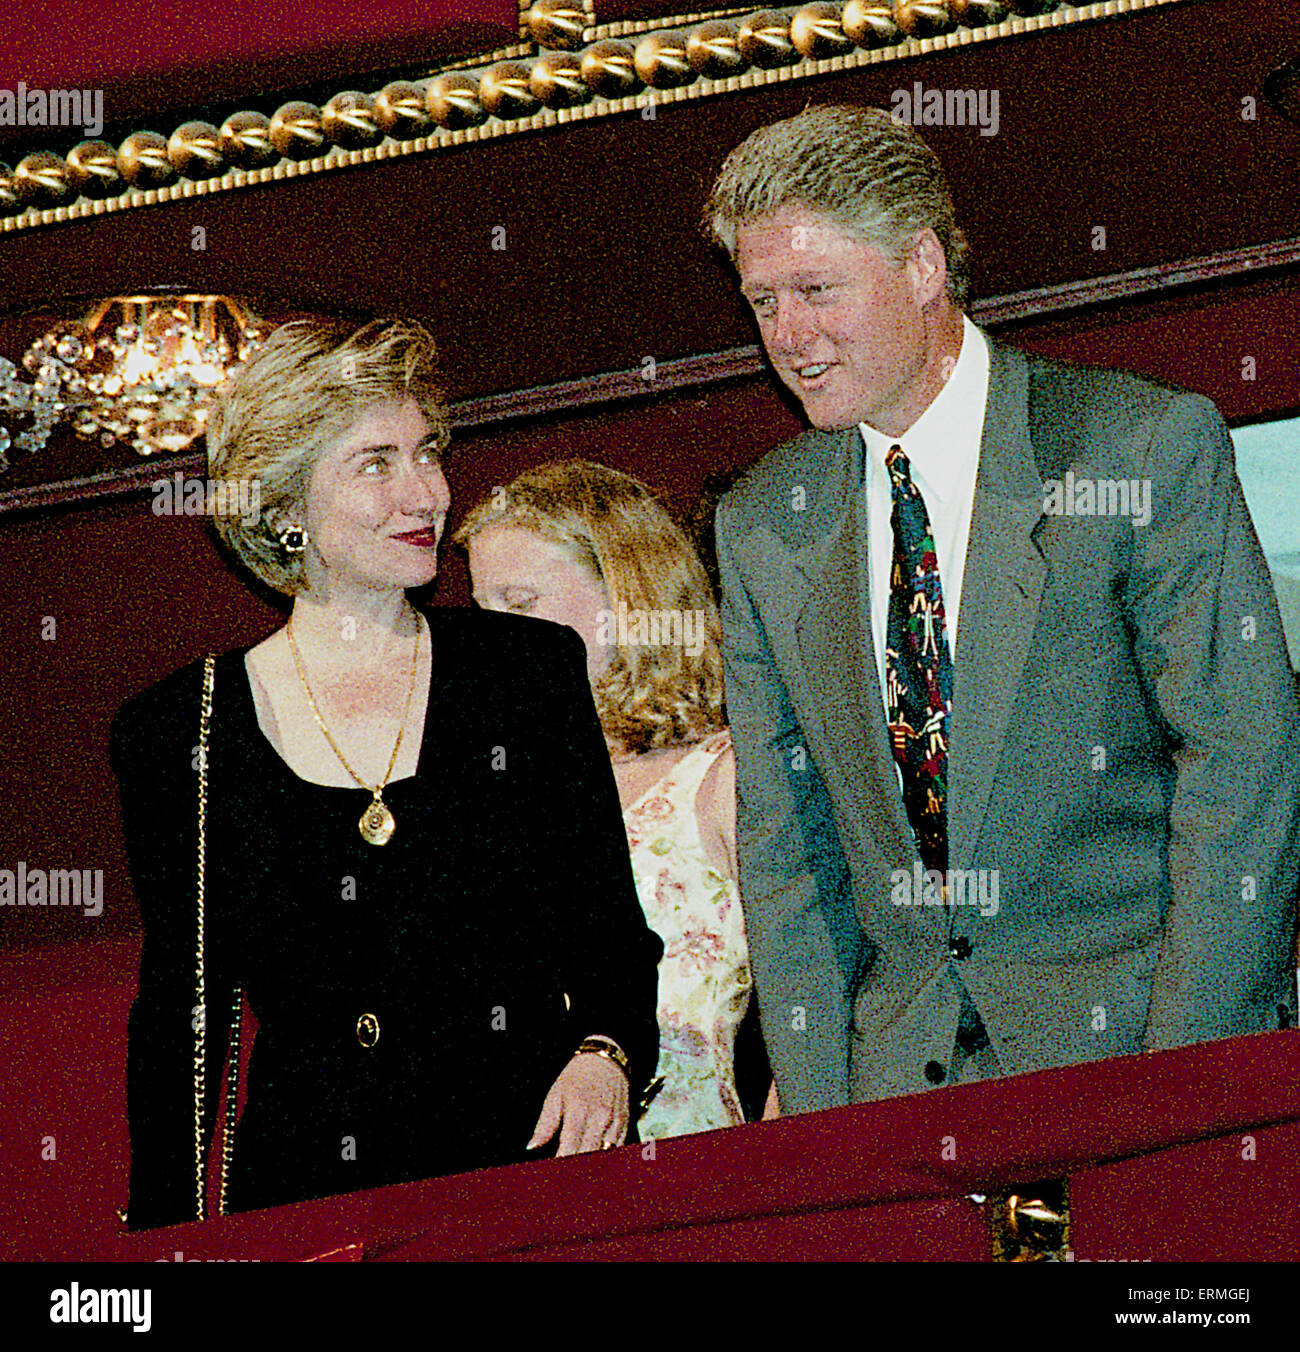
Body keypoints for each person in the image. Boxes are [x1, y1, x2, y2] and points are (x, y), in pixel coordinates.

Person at [704, 104, 1300, 1113]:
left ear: (923, 265)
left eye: (814, 290)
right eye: (762, 300)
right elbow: (787, 854)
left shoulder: (1135, 447)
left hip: (1133, 1064)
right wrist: (823, 1132)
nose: (786, 336)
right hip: (896, 1104)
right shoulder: (766, 522)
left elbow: (1242, 775)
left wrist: (1185, 1085)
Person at [109, 320, 662, 1229]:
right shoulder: (180, 731)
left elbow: (607, 927)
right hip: (313, 1198)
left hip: (531, 1173)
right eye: (376, 462)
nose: (427, 494)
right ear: (285, 505)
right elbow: (183, 1017)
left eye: (428, 453)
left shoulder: (524, 672)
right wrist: (166, 1253)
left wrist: (605, 1053)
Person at [456, 460, 775, 1139]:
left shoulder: (722, 778)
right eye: (485, 610)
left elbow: (819, 1000)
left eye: (521, 601)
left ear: (629, 598)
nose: (495, 636)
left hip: (689, 1176)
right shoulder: (485, 790)